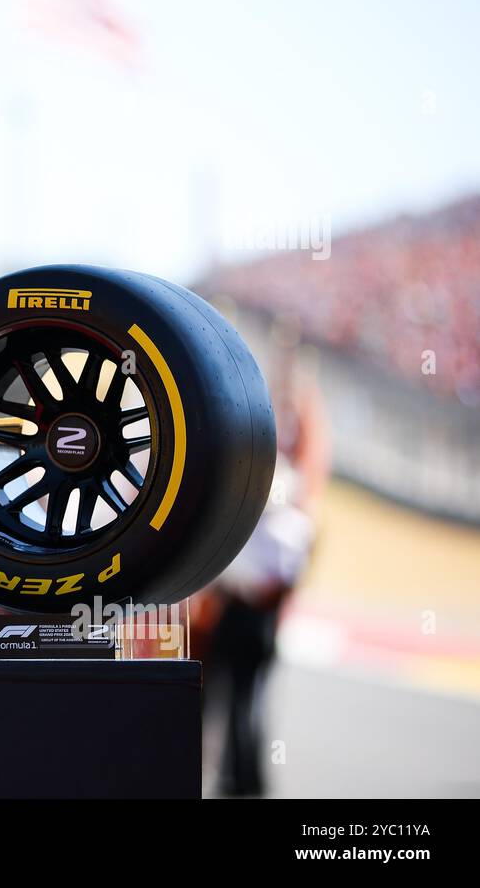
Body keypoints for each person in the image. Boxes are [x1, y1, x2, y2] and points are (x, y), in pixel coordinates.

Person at [198, 323, 330, 796]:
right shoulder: (281, 504)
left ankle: (242, 779)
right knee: (230, 697)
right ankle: (234, 776)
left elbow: (297, 537)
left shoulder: (286, 507)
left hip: (252, 609)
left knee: (240, 698)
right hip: (240, 605)